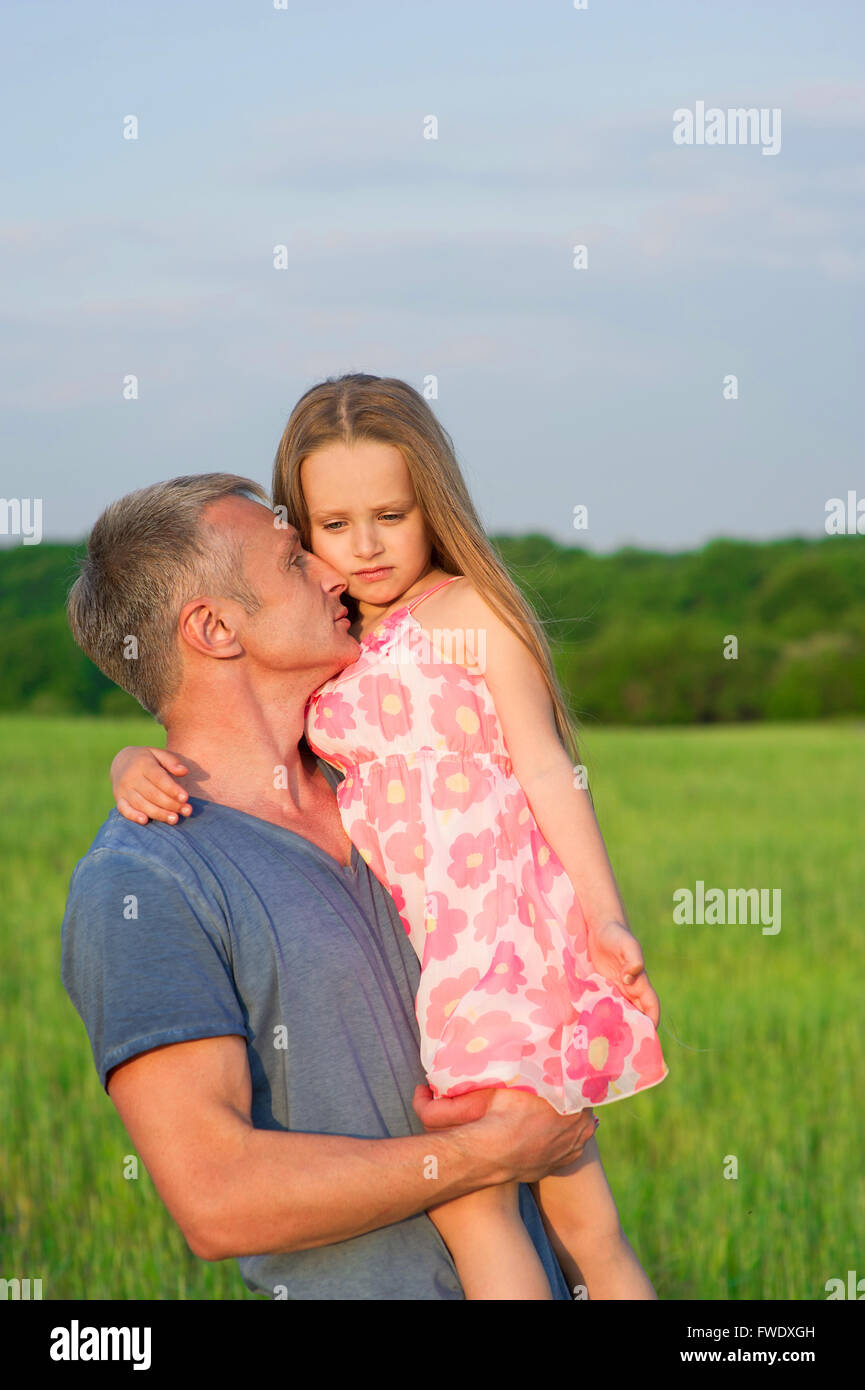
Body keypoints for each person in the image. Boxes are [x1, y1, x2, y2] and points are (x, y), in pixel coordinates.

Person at [109, 375, 668, 1301]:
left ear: (432, 506)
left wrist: (605, 919)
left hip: (500, 948)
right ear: (301, 532)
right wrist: (130, 757)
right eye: (332, 528)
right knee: (518, 1206)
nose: (364, 548)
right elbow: (233, 739)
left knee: (540, 1217)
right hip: (431, 969)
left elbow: (546, 767)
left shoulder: (469, 615)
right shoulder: (334, 647)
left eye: (390, 515)